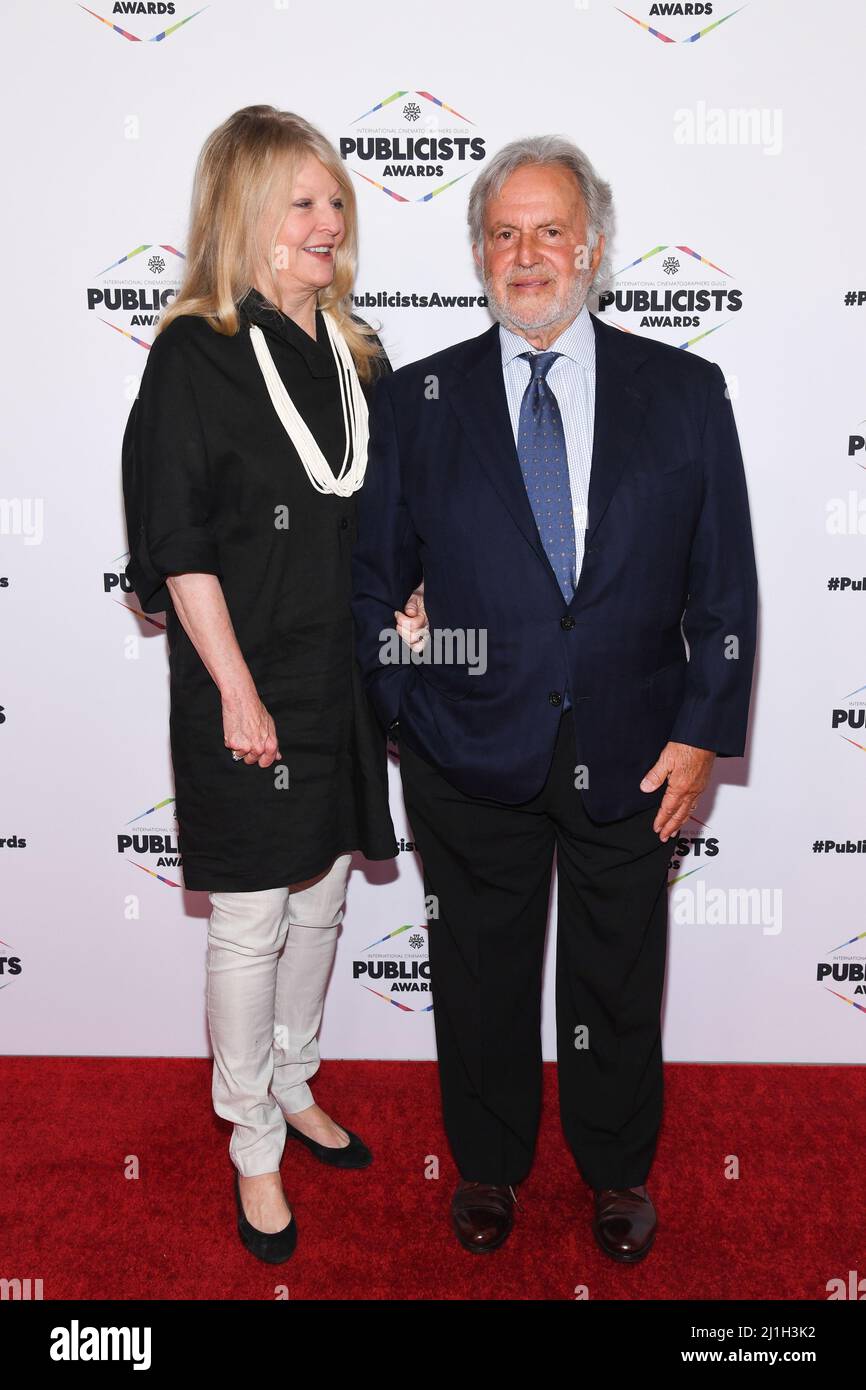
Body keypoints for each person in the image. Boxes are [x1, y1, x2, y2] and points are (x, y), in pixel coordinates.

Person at [351, 135, 757, 1260]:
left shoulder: (681, 390)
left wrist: (699, 734)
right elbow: (375, 581)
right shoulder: (419, 399)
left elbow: (722, 583)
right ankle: (486, 1164)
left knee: (616, 974)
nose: (526, 253)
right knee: (477, 971)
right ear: (479, 250)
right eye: (502, 231)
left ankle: (616, 1169)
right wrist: (403, 709)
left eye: (548, 230)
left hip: (633, 745)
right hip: (463, 748)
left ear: (591, 246)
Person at [122, 105, 424, 1264]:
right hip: (243, 684)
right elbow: (177, 544)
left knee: (323, 898)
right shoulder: (194, 354)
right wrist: (238, 694)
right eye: (301, 201)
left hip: (340, 677)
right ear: (243, 211)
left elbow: (385, 513)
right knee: (251, 921)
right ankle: (251, 1140)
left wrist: (407, 594)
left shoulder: (359, 355)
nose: (328, 220)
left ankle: (295, 1081)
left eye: (336, 201)